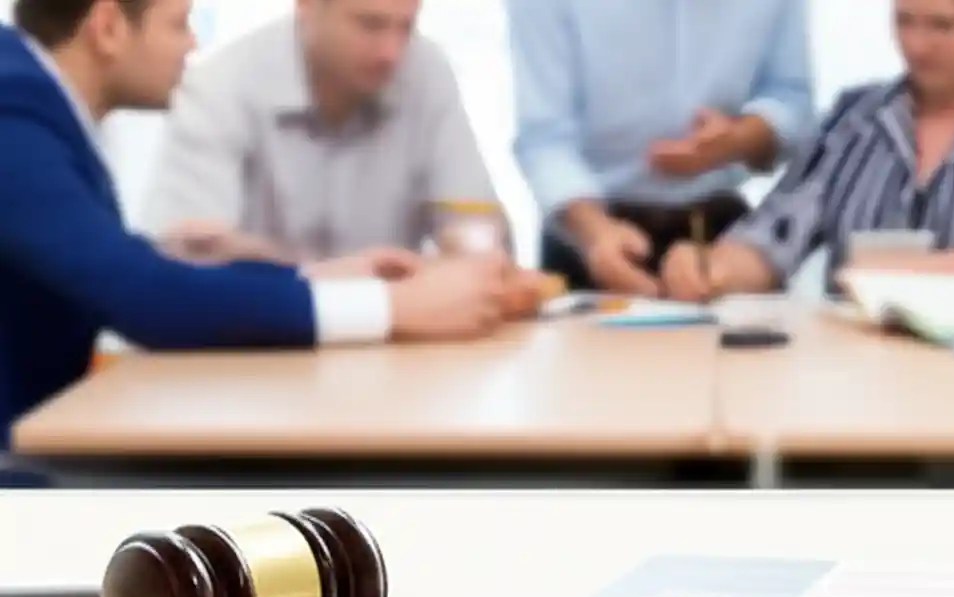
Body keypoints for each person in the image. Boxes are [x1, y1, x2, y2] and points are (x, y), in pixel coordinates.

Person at [0, 0, 541, 448]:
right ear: (108, 28)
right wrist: (395, 306)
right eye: (179, 23)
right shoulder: (12, 106)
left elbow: (128, 265)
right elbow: (146, 296)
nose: (192, 44)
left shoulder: (33, 101)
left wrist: (315, 279)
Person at [662, 0, 954, 302]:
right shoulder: (855, 114)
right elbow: (777, 232)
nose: (916, 44)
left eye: (942, 25)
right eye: (903, 20)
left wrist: (881, 276)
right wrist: (714, 268)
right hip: (858, 388)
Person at [142, 0, 505, 263]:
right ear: (307, 7)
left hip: (394, 348)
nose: (391, 53)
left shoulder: (425, 71)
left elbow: (477, 229)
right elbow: (190, 257)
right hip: (254, 348)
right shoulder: (219, 87)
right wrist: (361, 282)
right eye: (370, 25)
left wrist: (472, 249)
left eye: (405, 27)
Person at [506, 0, 815, 296]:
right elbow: (544, 137)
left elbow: (792, 100)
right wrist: (596, 234)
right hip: (589, 237)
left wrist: (738, 140)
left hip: (725, 241)